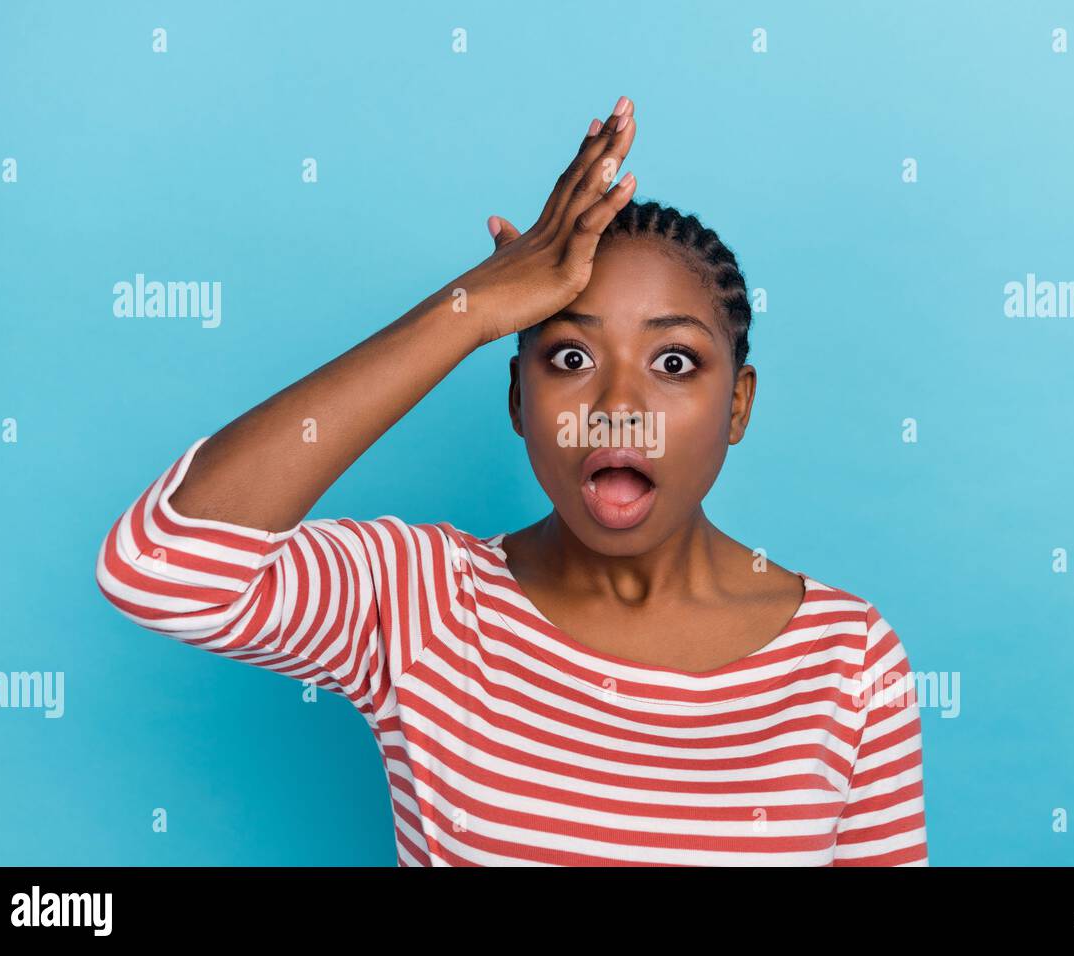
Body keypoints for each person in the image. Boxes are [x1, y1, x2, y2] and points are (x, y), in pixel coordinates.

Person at [96, 95, 929, 866]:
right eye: (570, 357)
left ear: (737, 406)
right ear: (518, 402)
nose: (616, 406)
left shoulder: (849, 659)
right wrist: (473, 305)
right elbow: (160, 569)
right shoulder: (422, 601)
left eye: (674, 361)